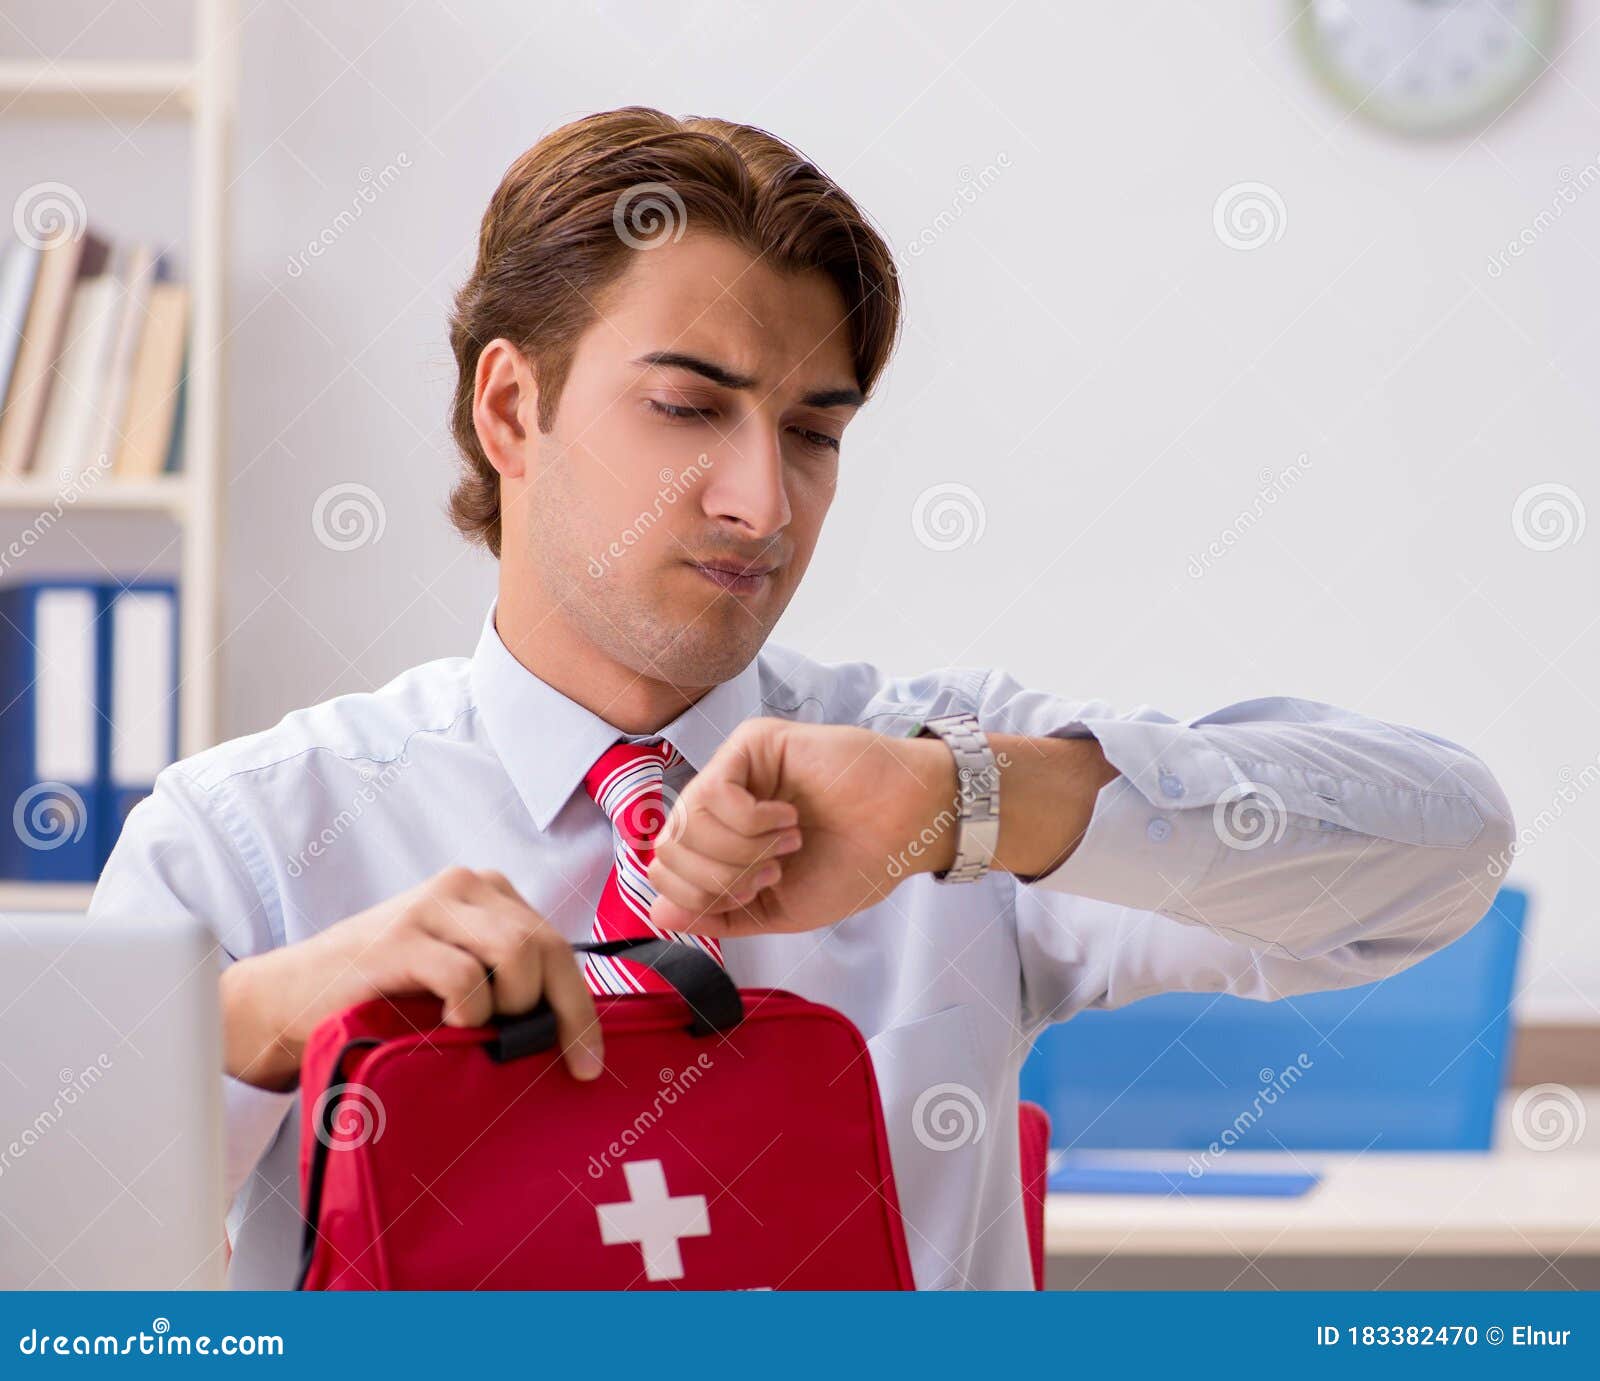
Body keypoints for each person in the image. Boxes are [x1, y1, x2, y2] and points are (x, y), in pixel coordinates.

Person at [91, 106, 1515, 1290]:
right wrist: (263, 1022)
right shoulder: (252, 837)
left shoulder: (933, 774)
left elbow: (1442, 857)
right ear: (510, 409)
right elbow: (55, 1272)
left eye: (815, 431)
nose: (763, 501)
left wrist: (975, 803)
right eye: (691, 407)